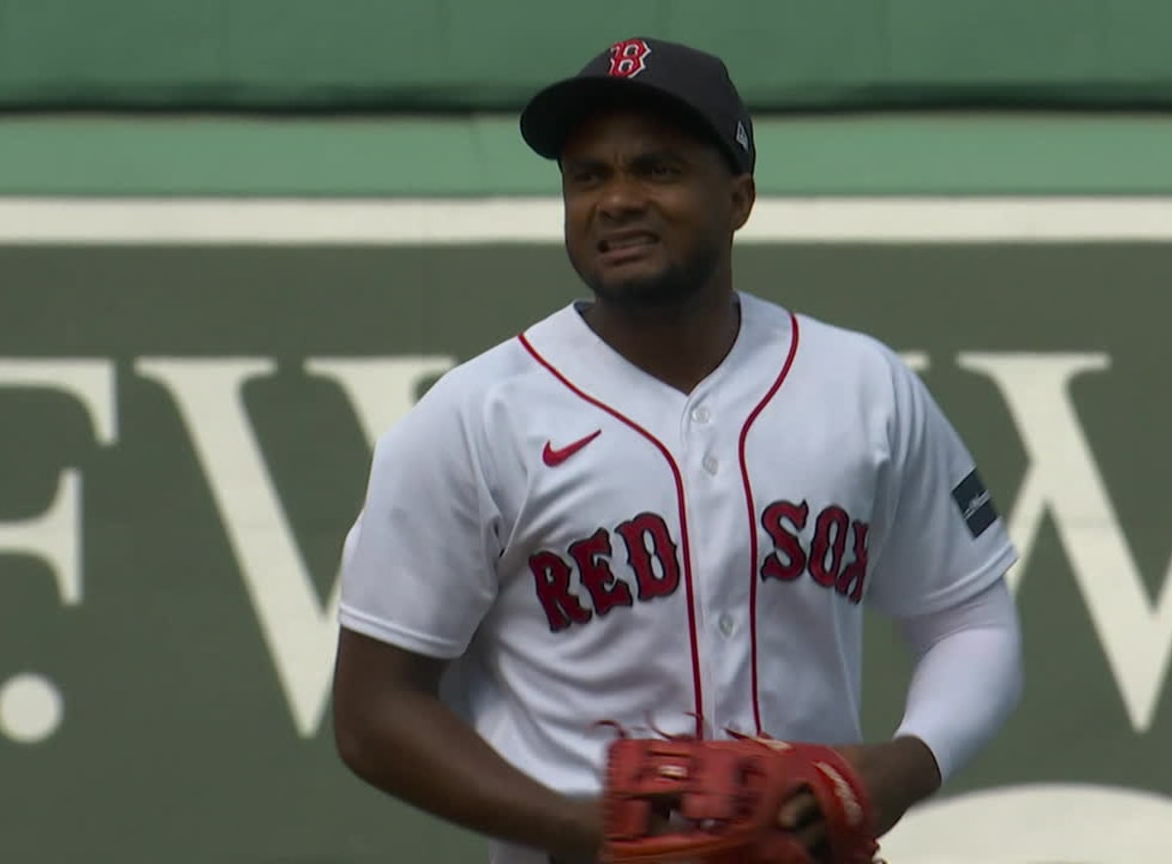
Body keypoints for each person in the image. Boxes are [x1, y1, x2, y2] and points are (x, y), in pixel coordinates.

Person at [330, 36, 1025, 864]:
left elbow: (969, 619)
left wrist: (902, 767)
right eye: (588, 176)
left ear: (738, 197)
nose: (616, 199)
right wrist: (581, 829)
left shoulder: (862, 386)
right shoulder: (475, 416)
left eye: (657, 170)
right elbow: (374, 713)